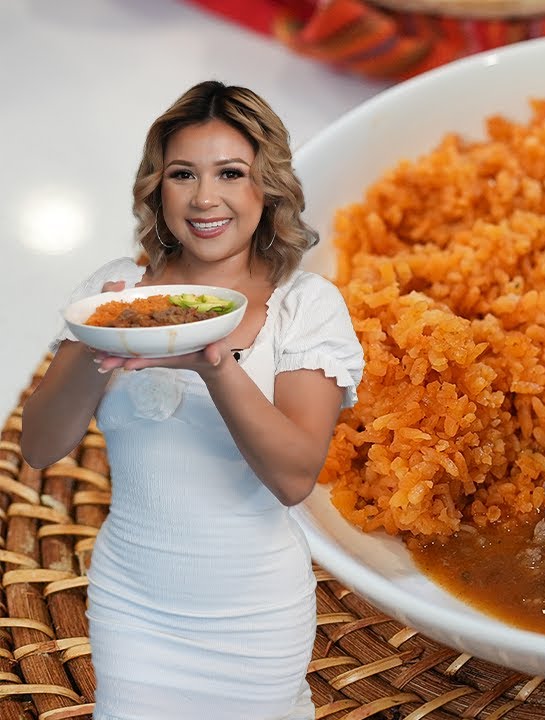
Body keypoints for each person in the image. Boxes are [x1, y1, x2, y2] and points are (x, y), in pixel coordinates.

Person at [20, 80, 364, 719]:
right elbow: (40, 446)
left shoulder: (305, 305)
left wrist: (212, 364)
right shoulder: (116, 289)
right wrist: (107, 334)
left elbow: (294, 477)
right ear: (158, 187)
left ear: (268, 186)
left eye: (231, 173)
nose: (207, 198)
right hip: (133, 602)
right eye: (184, 174)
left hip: (254, 612)